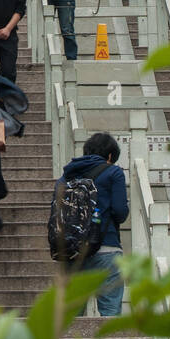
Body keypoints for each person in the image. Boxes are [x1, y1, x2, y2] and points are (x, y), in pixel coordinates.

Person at [57, 133, 128, 317]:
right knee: (110, 311)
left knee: (72, 316)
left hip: (71, 251)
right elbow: (120, 212)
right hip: (106, 248)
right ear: (110, 156)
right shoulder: (114, 172)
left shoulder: (65, 178)